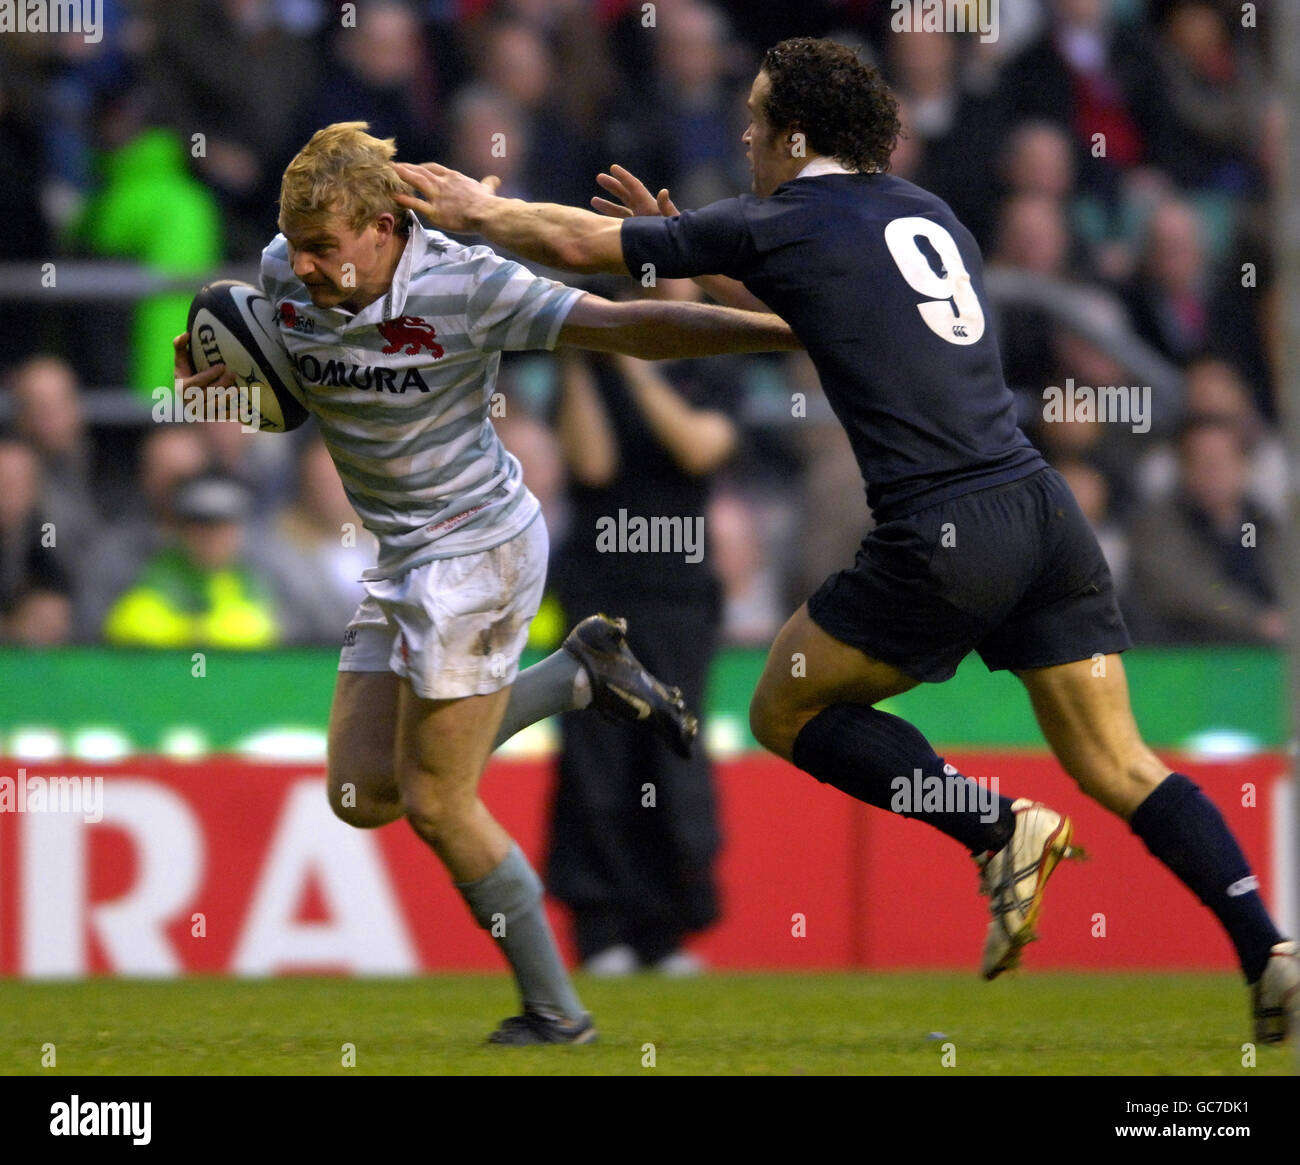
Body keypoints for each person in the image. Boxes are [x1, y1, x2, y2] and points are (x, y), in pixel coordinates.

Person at [392, 37, 1299, 1043]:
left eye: (753, 117)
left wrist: (479, 213)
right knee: (1120, 763)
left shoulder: (785, 217)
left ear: (792, 134)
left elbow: (574, 250)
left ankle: (996, 826)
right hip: (1043, 514)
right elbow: (817, 314)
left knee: (784, 707)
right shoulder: (926, 212)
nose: (741, 134)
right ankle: (1264, 944)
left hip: (943, 527)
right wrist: (692, 243)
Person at [172, 121, 799, 1046]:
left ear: (384, 226)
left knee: (437, 799)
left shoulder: (468, 285)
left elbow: (631, 328)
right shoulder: (278, 272)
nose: (301, 266)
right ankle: (577, 676)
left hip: (480, 550)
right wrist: (221, 387)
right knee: (359, 793)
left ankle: (557, 1013)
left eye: (323, 248)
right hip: (399, 557)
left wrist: (783, 328)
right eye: (294, 245)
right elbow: (291, 391)